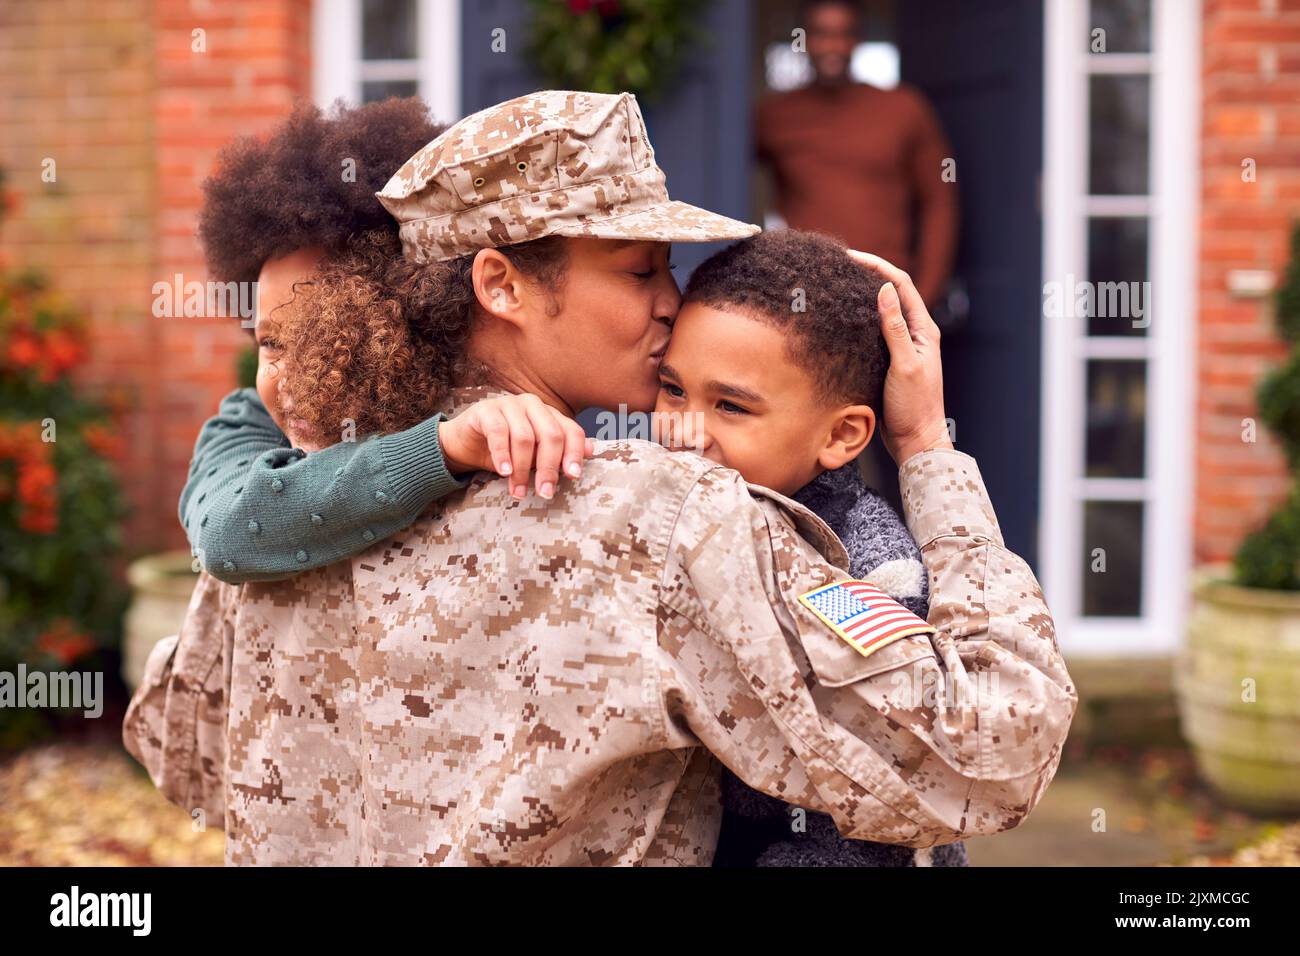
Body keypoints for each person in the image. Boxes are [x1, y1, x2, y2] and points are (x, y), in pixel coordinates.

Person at [126, 90, 1075, 866]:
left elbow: (185, 757)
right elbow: (995, 749)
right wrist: (926, 455)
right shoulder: (662, 521)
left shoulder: (289, 508)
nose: (672, 302)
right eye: (636, 270)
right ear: (500, 284)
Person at [183, 96, 594, 585]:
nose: (290, 378)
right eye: (271, 343)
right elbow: (228, 534)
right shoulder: (244, 423)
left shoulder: (450, 399)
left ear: (396, 322)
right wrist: (441, 449)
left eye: (323, 338)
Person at [655, 228, 965, 865]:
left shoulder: (870, 569)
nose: (686, 430)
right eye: (674, 389)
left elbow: (872, 802)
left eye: (732, 407)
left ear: (842, 435)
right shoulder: (653, 512)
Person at [757, 0, 960, 513]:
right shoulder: (775, 117)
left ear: (857, 41)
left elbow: (939, 200)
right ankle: (819, 561)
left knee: (904, 441)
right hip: (805, 308)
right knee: (811, 438)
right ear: (805, 40)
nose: (830, 46)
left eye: (842, 34)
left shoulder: (902, 110)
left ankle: (915, 572)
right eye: (820, 34)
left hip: (885, 307)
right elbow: (741, 188)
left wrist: (925, 296)